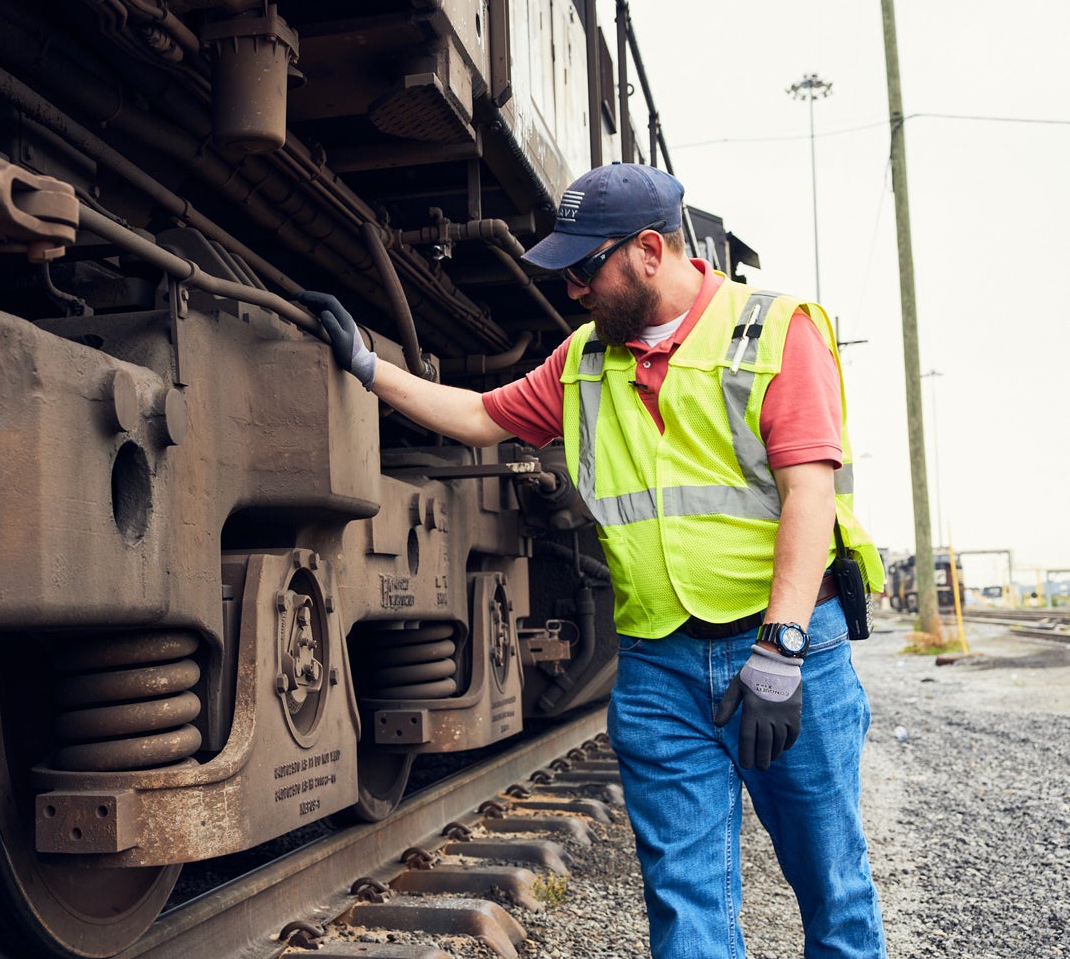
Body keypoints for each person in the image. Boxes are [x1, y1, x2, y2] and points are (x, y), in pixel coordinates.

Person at [298, 162, 888, 958]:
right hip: (659, 669)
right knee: (685, 904)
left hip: (785, 655)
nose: (574, 291)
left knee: (832, 889)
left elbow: (808, 496)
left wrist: (780, 649)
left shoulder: (775, 331)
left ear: (649, 249)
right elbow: (479, 414)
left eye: (585, 270)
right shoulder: (581, 363)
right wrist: (369, 370)